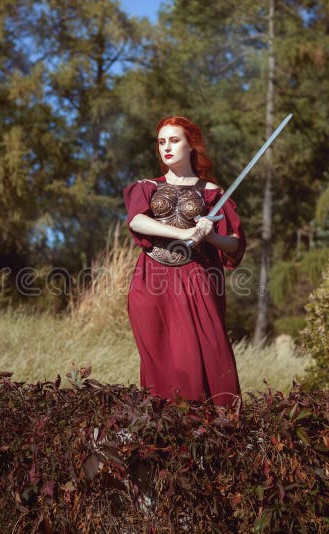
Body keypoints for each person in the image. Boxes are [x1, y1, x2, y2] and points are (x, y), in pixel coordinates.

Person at [122, 116, 246, 407]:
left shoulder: (212, 193)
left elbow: (235, 245)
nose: (166, 147)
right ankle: (163, 434)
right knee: (159, 364)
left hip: (196, 278)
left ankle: (215, 435)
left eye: (174, 140)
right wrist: (185, 231)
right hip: (152, 280)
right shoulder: (147, 186)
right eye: (162, 141)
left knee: (205, 356)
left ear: (192, 145)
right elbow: (137, 221)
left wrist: (210, 235)